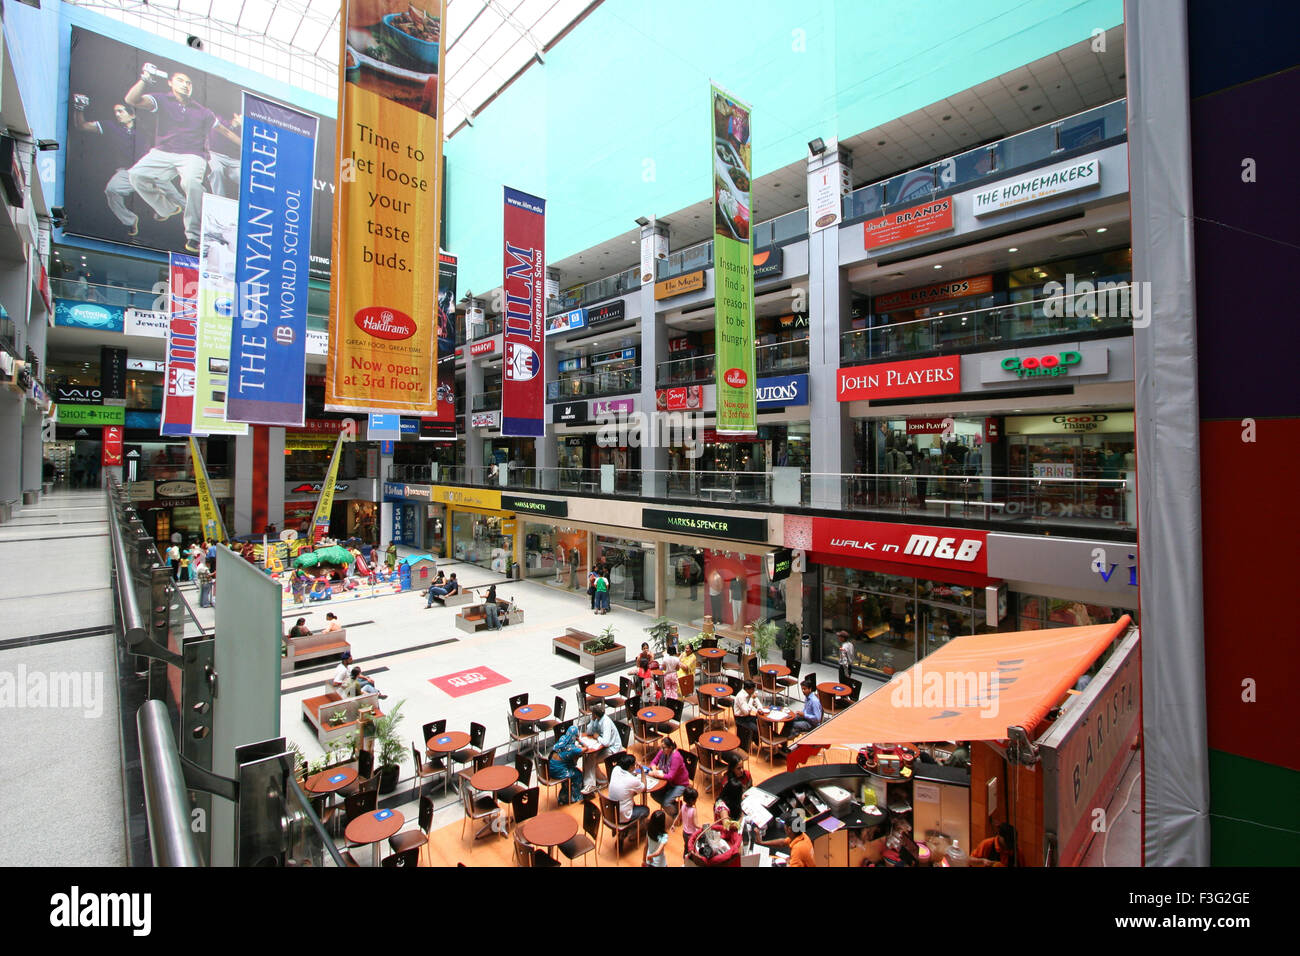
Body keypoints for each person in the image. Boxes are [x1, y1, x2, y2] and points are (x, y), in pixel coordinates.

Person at [124, 66, 240, 254]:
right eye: (180, 80)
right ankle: (167, 208)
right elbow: (131, 100)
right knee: (136, 175)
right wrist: (145, 79)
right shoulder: (162, 100)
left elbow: (225, 131)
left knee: (192, 184)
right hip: (163, 151)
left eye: (188, 83)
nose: (185, 85)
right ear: (170, 82)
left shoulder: (203, 111)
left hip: (192, 155)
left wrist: (247, 146)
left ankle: (194, 235)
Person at [71, 96, 144, 239]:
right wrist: (79, 108)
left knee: (174, 189)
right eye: (115, 112)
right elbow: (82, 125)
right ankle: (130, 219)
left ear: (132, 114)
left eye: (120, 111)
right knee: (111, 190)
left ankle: (168, 211)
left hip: (148, 169)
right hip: (127, 171)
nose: (117, 114)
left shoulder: (144, 130)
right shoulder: (110, 126)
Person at [580, 702, 623, 793]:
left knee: (591, 760)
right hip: (603, 747)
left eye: (592, 714)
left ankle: (592, 784)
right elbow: (588, 732)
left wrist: (598, 737)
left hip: (613, 749)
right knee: (589, 757)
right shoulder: (596, 720)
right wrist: (592, 720)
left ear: (595, 714)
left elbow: (606, 742)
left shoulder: (606, 722)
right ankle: (599, 781)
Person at [648, 737, 690, 822]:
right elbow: (653, 762)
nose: (662, 749)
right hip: (669, 782)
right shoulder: (662, 752)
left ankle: (676, 814)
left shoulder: (676, 757)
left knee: (665, 802)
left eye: (664, 748)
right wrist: (654, 770)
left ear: (670, 748)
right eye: (661, 747)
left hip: (680, 784)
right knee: (654, 794)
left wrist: (655, 774)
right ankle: (675, 805)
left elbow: (670, 776)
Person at [606, 753, 649, 827]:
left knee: (631, 800)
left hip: (611, 812)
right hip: (622, 816)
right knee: (645, 810)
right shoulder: (632, 780)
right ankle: (632, 834)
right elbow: (644, 788)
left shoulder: (615, 769)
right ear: (631, 767)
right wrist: (642, 770)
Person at [547, 723, 586, 805]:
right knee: (578, 774)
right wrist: (580, 740)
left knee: (571, 768)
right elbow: (586, 748)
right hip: (559, 772)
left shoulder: (562, 738)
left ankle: (564, 794)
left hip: (550, 768)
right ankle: (575, 797)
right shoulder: (572, 749)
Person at [782, 678, 823, 751]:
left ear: (810, 689)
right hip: (806, 718)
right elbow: (806, 710)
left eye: (805, 689)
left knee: (794, 725)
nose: (803, 691)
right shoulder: (807, 697)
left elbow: (818, 719)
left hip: (812, 724)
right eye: (802, 689)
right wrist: (799, 714)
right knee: (789, 719)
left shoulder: (814, 701)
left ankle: (786, 739)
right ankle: (783, 740)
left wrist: (804, 715)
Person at [717, 752, 752, 823]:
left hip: (745, 804)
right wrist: (741, 817)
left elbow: (751, 789)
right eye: (739, 768)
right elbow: (727, 826)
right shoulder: (726, 782)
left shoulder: (747, 775)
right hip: (733, 811)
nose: (742, 770)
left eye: (742, 767)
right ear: (732, 769)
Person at [679, 787, 700, 856]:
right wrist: (704, 827)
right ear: (692, 800)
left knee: (686, 847)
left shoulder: (683, 806)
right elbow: (696, 824)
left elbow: (680, 817)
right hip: (692, 834)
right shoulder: (694, 810)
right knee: (692, 848)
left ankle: (685, 858)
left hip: (684, 832)